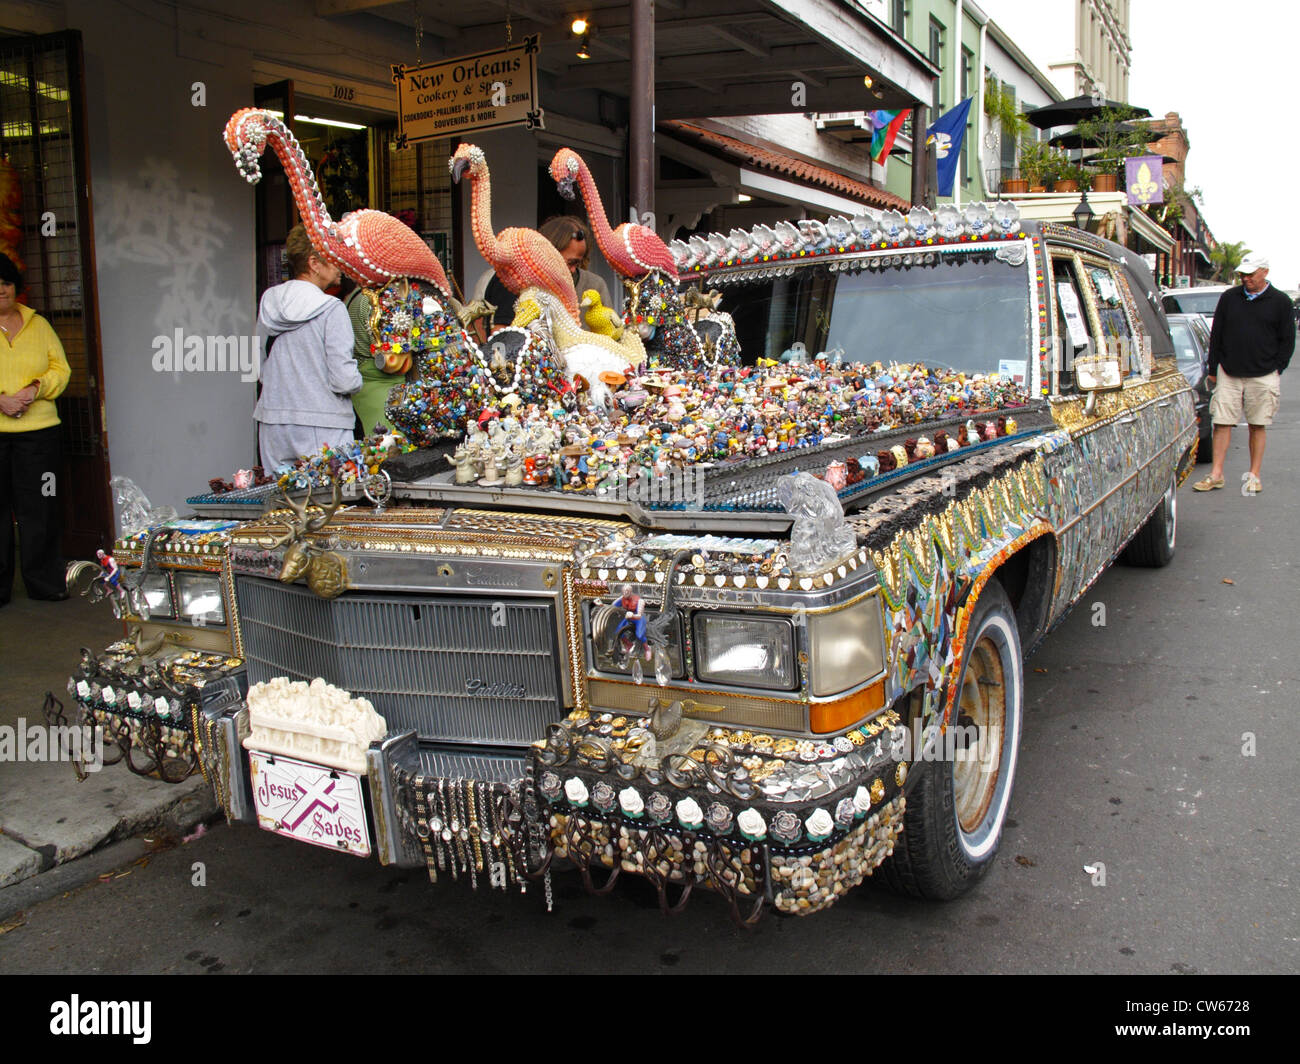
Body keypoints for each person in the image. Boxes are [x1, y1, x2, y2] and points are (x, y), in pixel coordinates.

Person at [255, 225, 362, 472]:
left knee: (282, 504)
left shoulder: (269, 301)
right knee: (331, 502)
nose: (340, 265)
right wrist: (359, 379)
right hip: (324, 420)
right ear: (314, 263)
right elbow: (344, 381)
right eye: (334, 258)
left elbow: (255, 364)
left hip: (272, 419)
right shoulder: (331, 308)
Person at [0, 252, 71, 605]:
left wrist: (34, 389)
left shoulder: (39, 324)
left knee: (41, 506)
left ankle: (45, 583)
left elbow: (61, 369)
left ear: (16, 287)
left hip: (39, 435)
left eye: (6, 283)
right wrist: (1, 400)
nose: (1, 290)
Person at [1194, 253, 1294, 494]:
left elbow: (1287, 340)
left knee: (1257, 425)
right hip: (1229, 371)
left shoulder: (1280, 302)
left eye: (1250, 274)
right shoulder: (1229, 298)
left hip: (1263, 374)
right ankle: (1216, 473)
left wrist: (1277, 367)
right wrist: (1213, 368)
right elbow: (1216, 334)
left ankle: (1254, 476)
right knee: (1221, 423)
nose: (1245, 278)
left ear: (1264, 272)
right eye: (1242, 274)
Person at [481, 215, 613, 331]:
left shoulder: (595, 284)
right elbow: (501, 337)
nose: (572, 270)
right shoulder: (513, 280)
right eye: (570, 262)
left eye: (577, 263)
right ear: (549, 253)